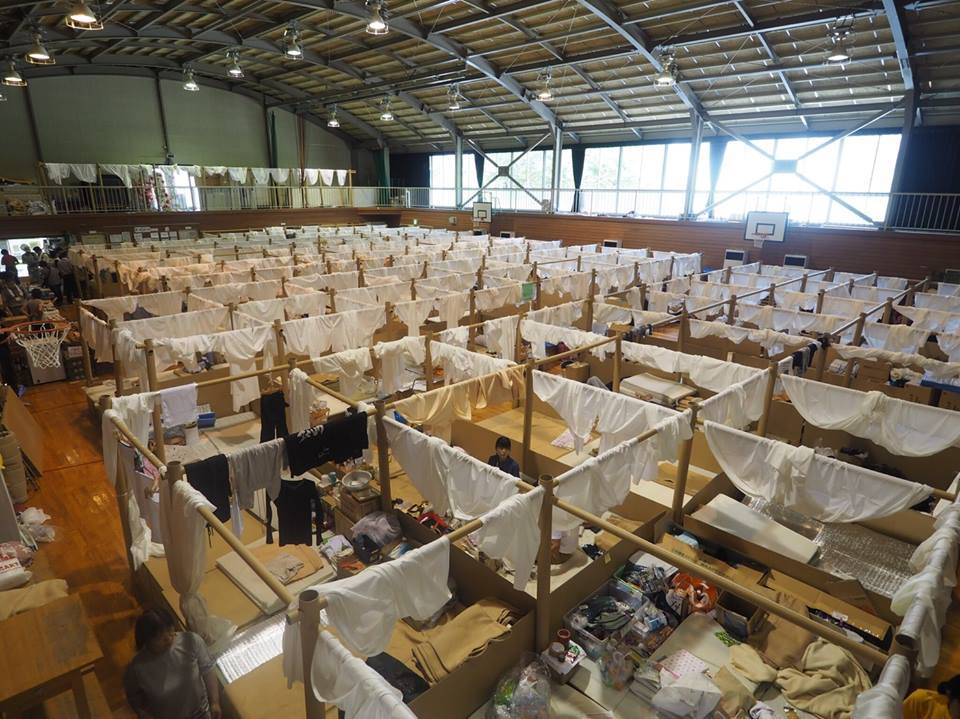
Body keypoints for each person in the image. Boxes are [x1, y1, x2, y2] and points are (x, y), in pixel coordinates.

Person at [124, 608, 221, 719]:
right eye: (159, 636)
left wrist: (215, 702)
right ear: (146, 640)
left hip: (201, 713)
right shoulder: (136, 668)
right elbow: (135, 700)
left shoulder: (190, 641)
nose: (168, 638)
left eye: (170, 630)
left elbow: (208, 670)